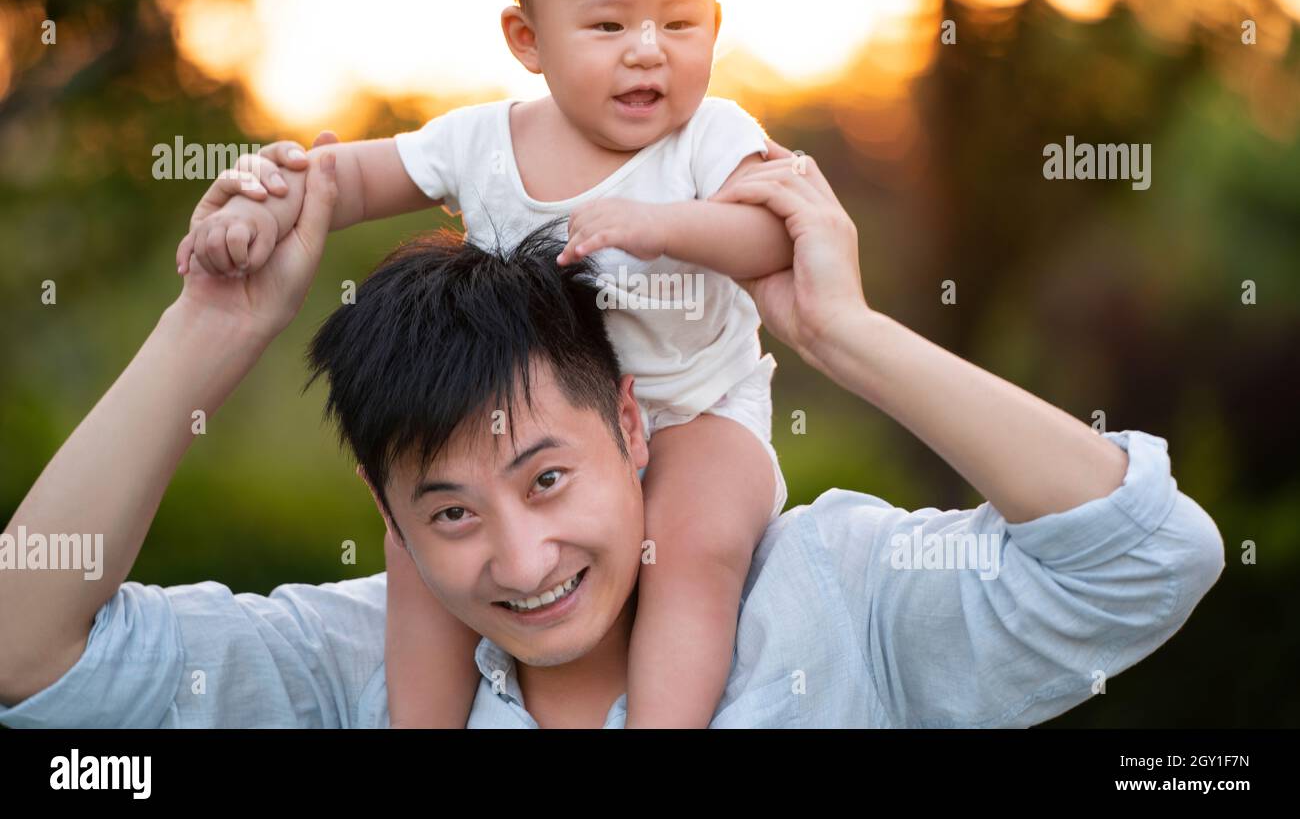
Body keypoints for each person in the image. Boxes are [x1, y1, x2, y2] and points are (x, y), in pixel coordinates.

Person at [0, 139, 1225, 728]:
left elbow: (1145, 559)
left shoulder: (837, 602)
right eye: (451, 513)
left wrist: (844, 335)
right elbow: (23, 653)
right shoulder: (349, 670)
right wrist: (209, 329)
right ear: (388, 520)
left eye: (546, 477)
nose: (522, 561)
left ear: (631, 422)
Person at [174, 0, 794, 728]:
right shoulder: (484, 141)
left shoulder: (711, 138)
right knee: (421, 543)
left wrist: (665, 226)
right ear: (528, 38)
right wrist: (262, 202)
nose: (648, 48)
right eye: (609, 23)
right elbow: (350, 180)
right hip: (526, 421)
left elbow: (772, 234)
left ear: (714, 25)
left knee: (690, 549)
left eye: (679, 22)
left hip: (698, 410)